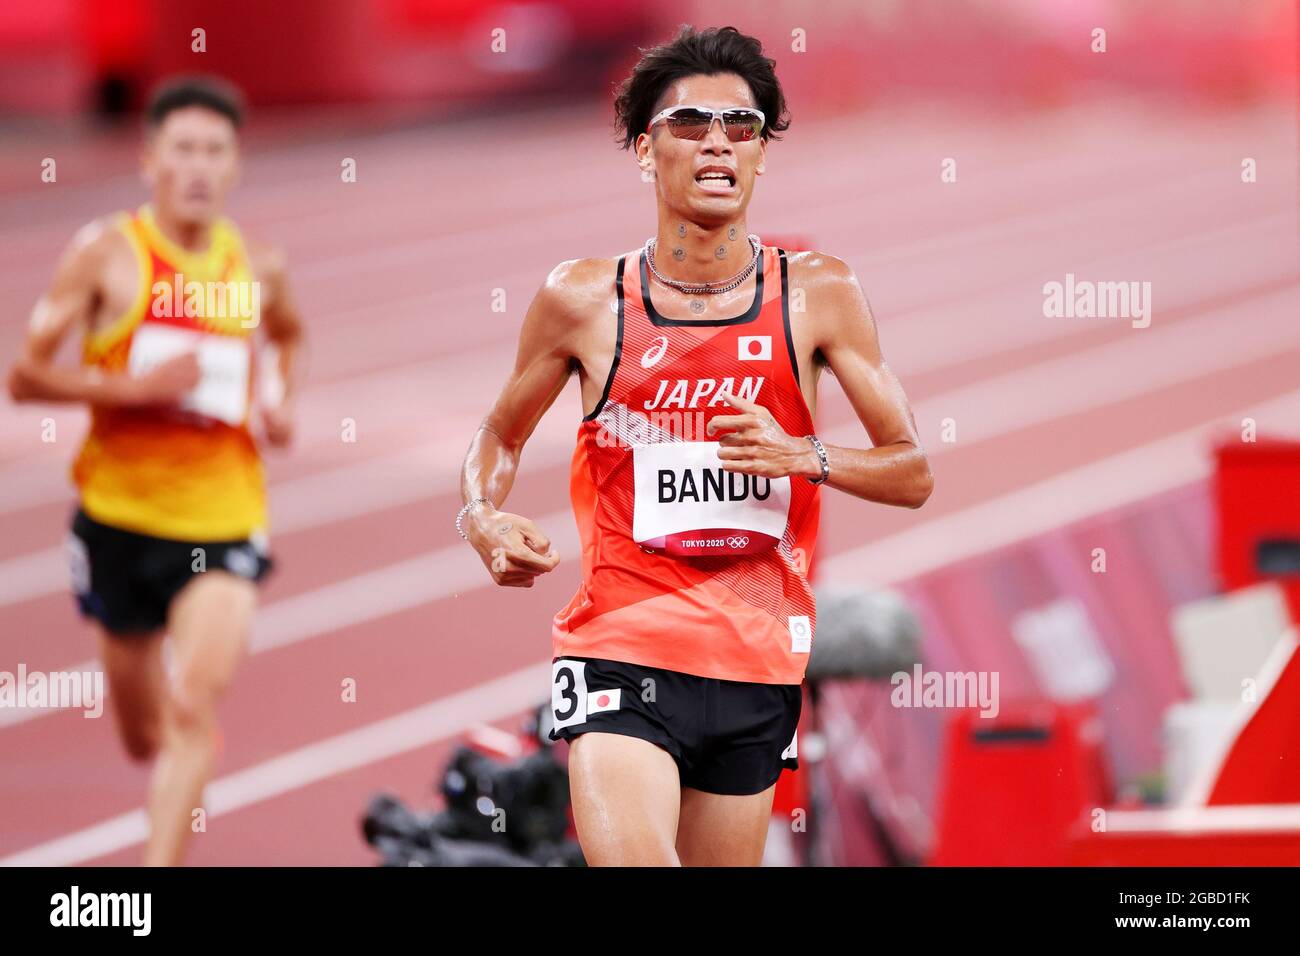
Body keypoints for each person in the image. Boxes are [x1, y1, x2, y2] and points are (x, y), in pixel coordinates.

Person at [458, 25, 931, 866]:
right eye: (690, 124)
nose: (718, 142)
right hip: (620, 646)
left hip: (754, 663)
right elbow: (500, 434)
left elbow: (912, 471)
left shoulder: (819, 294)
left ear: (759, 157)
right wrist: (482, 515)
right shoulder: (583, 299)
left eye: (741, 127)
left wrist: (803, 455)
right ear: (647, 150)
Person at [6, 76, 304, 865]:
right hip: (118, 516)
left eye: (215, 151)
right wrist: (127, 389)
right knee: (142, 734)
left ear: (236, 163)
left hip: (223, 517)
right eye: (184, 150)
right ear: (151, 160)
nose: (199, 168)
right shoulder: (109, 256)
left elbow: (289, 336)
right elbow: (24, 377)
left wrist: (276, 400)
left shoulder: (256, 268)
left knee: (189, 712)